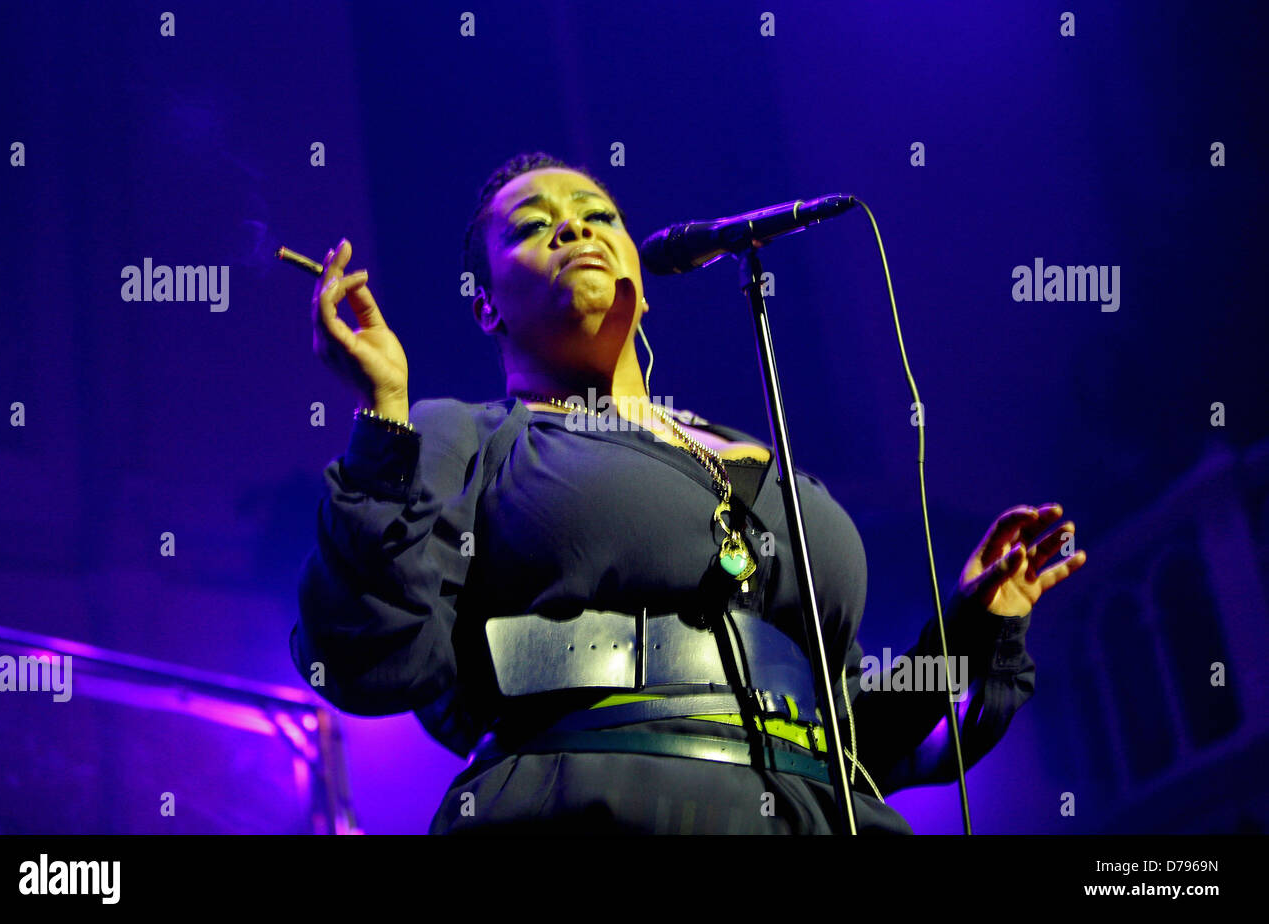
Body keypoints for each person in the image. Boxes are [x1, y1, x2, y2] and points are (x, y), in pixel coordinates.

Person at [290, 151, 1087, 834]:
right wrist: (383, 415)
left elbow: (851, 740)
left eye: (598, 213)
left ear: (641, 266)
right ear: (486, 305)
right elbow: (368, 661)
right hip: (592, 812)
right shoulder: (462, 435)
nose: (574, 228)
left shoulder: (763, 459)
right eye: (533, 226)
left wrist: (976, 628)